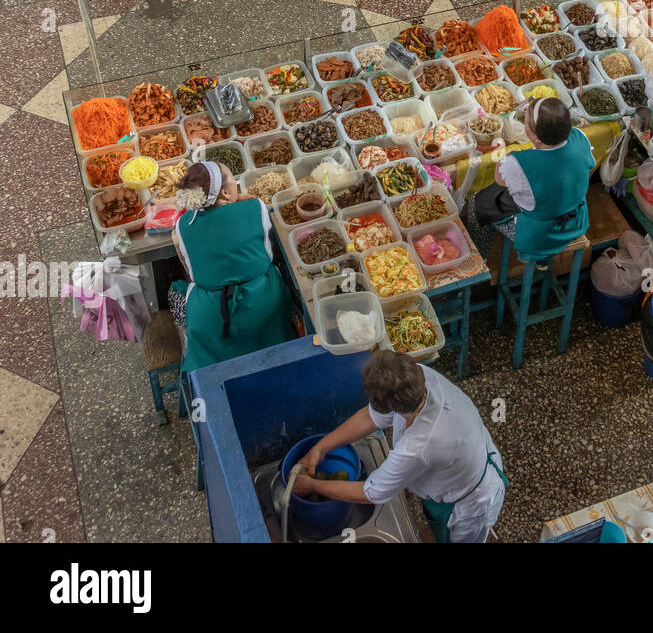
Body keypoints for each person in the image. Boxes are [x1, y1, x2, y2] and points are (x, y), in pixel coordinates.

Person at [293, 350, 506, 544]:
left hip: (470, 501)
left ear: (392, 408)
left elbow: (372, 493)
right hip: (464, 460)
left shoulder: (417, 447)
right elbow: (370, 417)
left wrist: (312, 486)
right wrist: (320, 448)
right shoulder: (417, 376)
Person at [170, 161, 296, 373]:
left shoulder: (183, 226)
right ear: (226, 193)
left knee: (175, 291)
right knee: (274, 273)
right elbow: (268, 256)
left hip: (212, 316)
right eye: (234, 181)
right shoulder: (255, 208)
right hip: (263, 304)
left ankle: (206, 365)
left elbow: (195, 276)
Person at [466, 97, 595, 255]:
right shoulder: (580, 137)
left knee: (475, 203)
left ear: (536, 137)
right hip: (577, 218)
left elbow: (500, 180)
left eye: (525, 122)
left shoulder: (518, 163)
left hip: (543, 235)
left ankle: (479, 255)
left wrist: (502, 157)